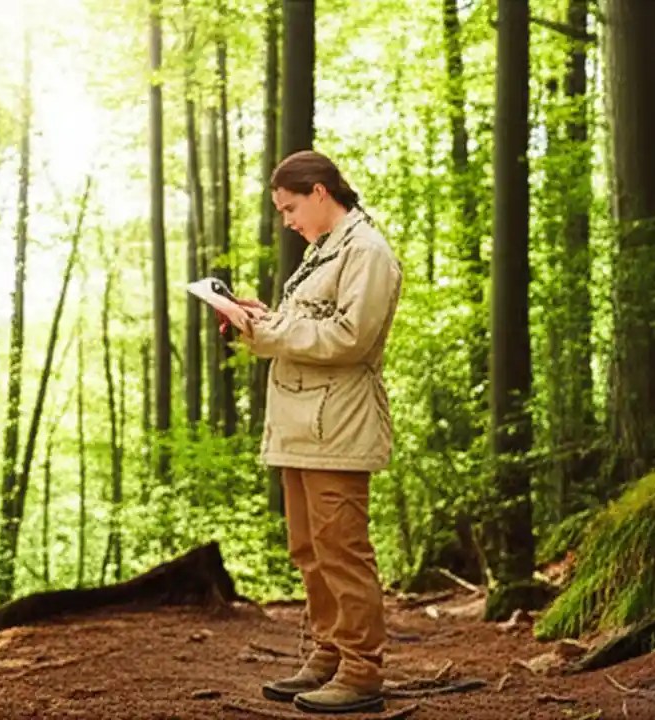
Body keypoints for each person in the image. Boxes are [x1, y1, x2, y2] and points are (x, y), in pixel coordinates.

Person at [220, 150, 403, 715]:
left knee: (342, 549)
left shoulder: (368, 252)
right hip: (302, 424)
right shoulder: (323, 251)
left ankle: (361, 671)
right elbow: (309, 323)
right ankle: (328, 655)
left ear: (321, 192)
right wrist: (261, 317)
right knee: (308, 548)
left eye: (291, 206)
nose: (288, 220)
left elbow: (350, 338)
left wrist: (270, 335)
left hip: (339, 424)